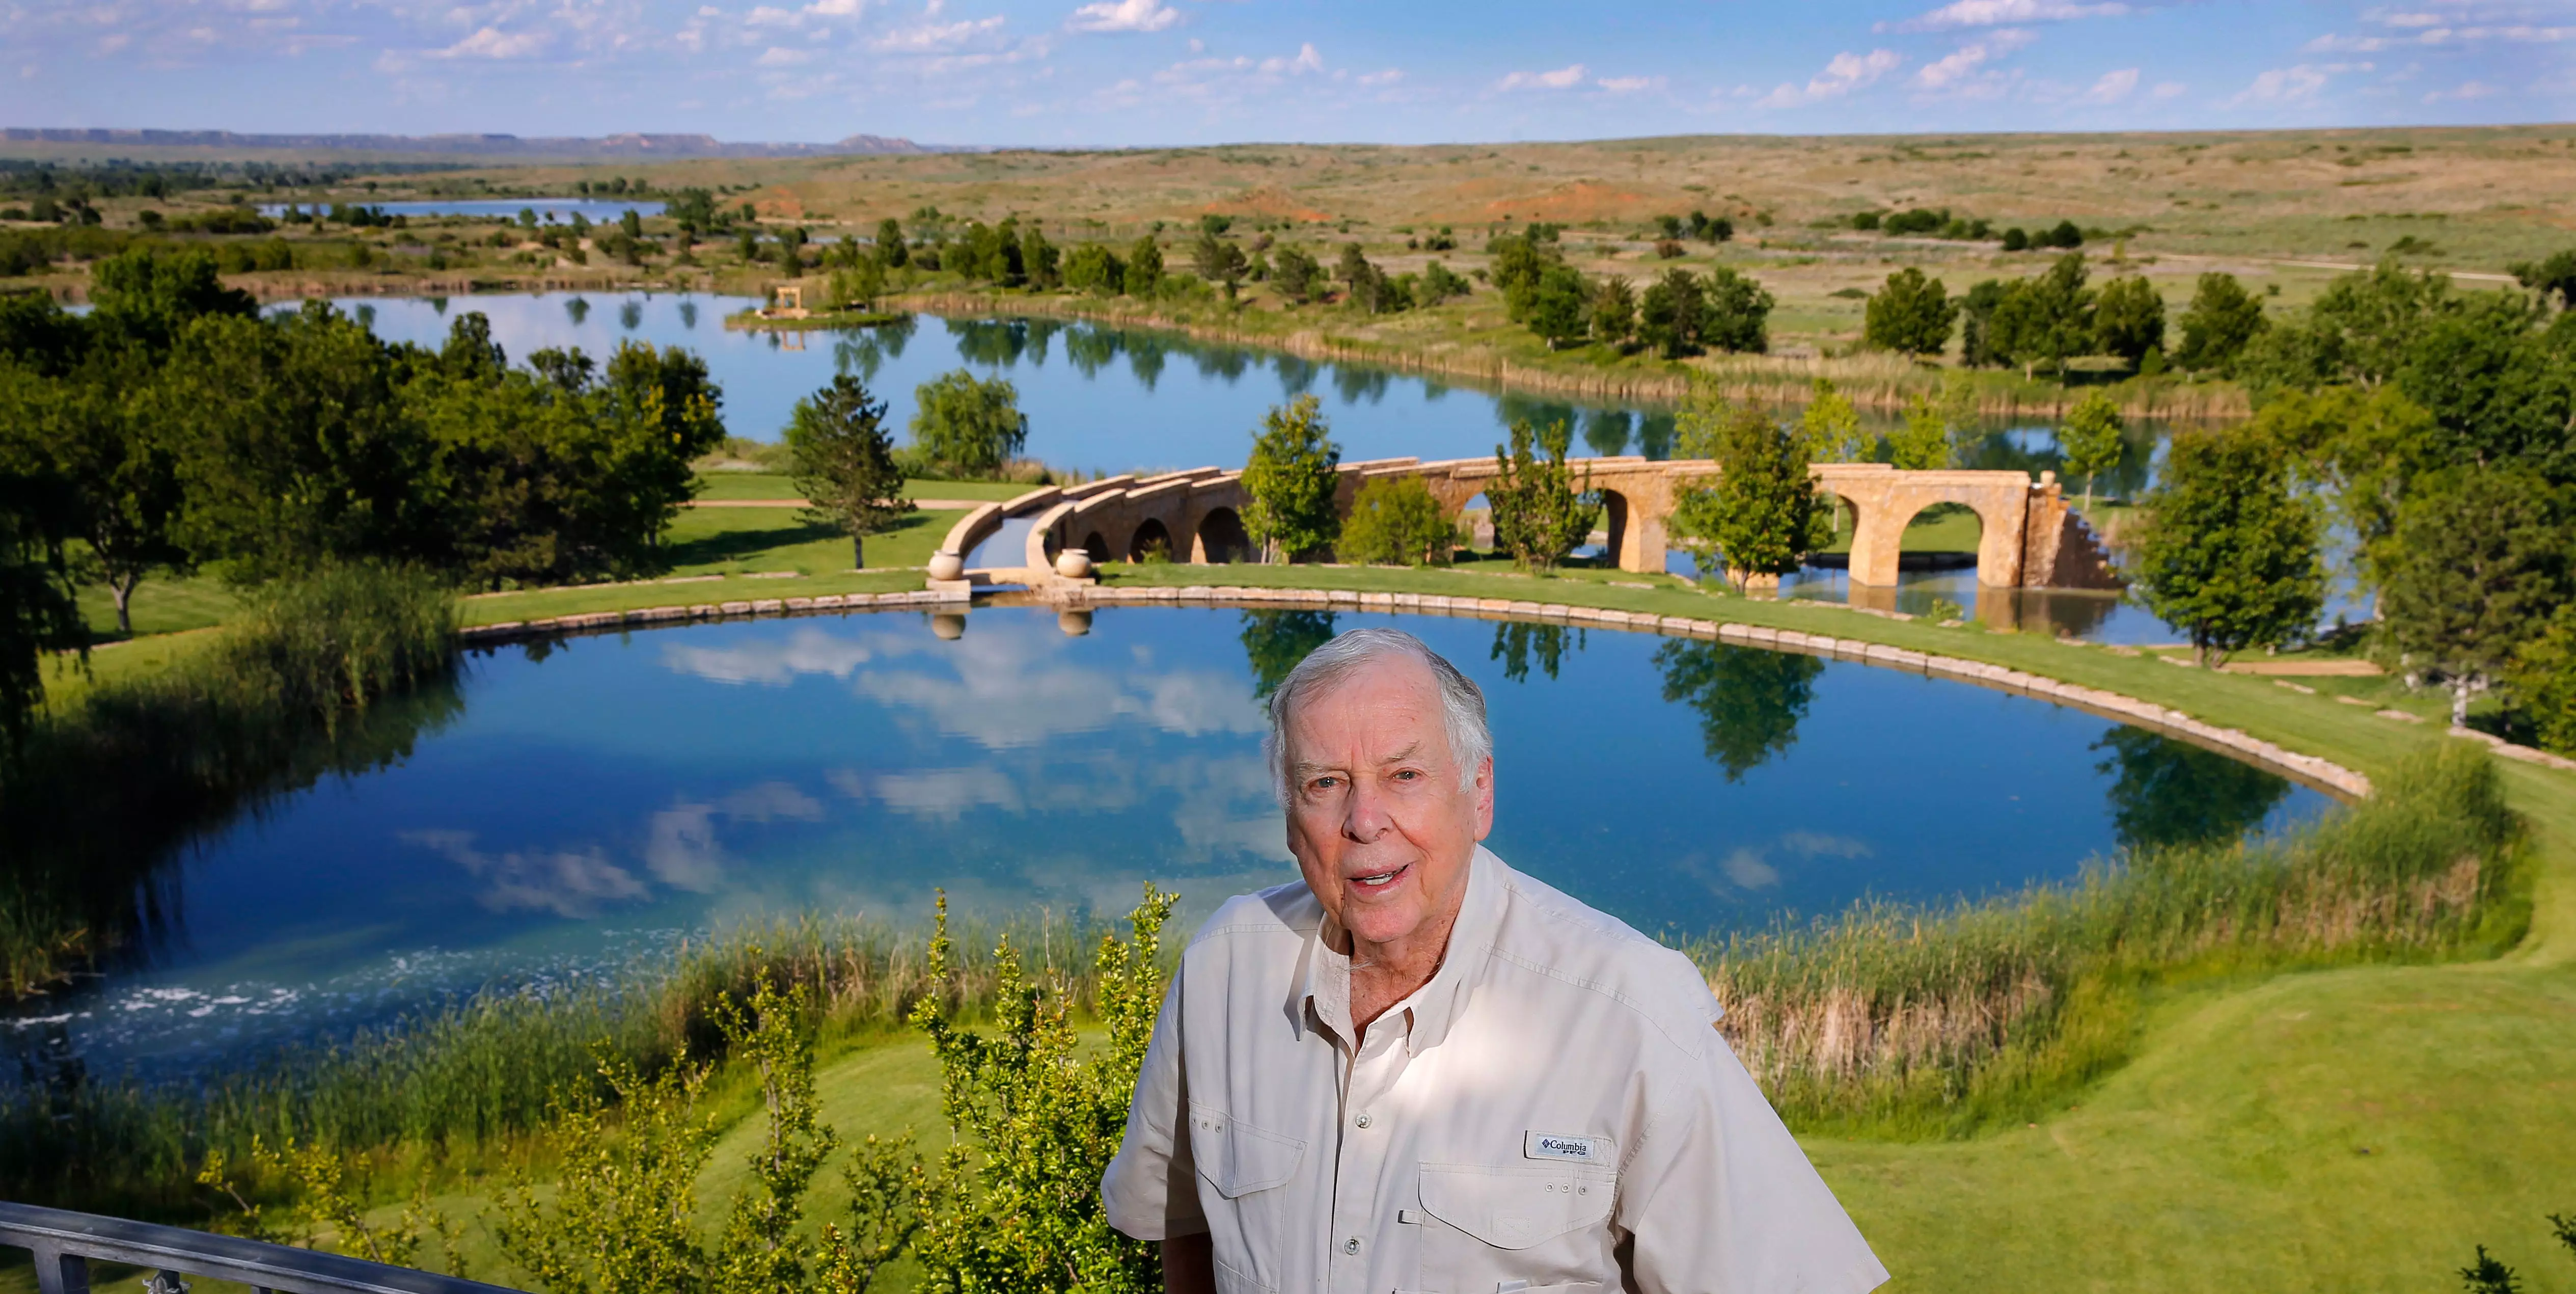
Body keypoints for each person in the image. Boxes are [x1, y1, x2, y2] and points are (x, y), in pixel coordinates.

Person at [1101, 627, 1888, 1294]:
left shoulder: (1629, 1013)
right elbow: (1184, 1236)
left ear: (1478, 795)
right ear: (1288, 816)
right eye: (1325, 783)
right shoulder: (1223, 974)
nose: (1364, 820)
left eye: (1404, 776)